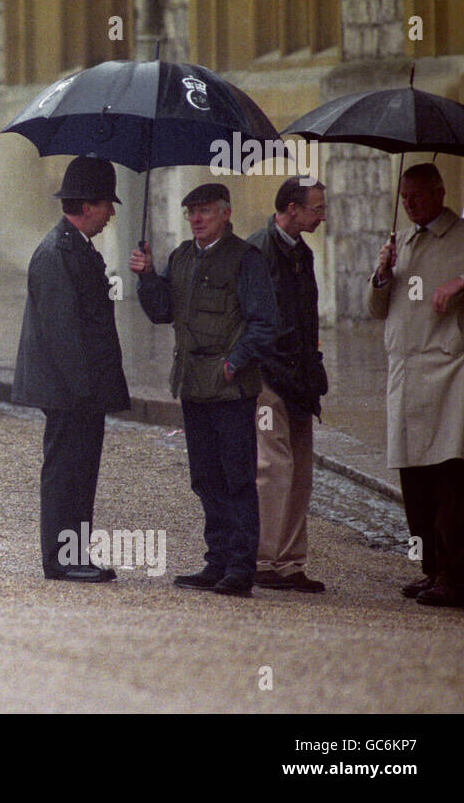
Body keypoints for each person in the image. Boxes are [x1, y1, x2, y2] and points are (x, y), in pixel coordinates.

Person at [129, 183, 277, 597]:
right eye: (191, 212)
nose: (196, 219)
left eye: (205, 211)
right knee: (206, 478)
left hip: (229, 386)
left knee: (237, 478)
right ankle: (216, 561)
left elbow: (265, 322)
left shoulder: (246, 259)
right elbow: (162, 312)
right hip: (193, 382)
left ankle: (240, 567)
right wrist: (147, 276)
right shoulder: (181, 257)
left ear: (226, 214)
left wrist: (234, 363)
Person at [11, 156, 130, 583]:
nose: (111, 213)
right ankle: (61, 559)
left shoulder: (76, 247)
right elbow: (62, 332)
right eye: (106, 205)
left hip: (81, 390)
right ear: (87, 206)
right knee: (66, 475)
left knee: (81, 475)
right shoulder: (56, 252)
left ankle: (75, 554)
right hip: (69, 391)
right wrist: (84, 392)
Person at [367, 162, 464, 608]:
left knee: (451, 478)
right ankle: (429, 569)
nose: (410, 204)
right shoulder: (400, 240)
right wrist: (383, 274)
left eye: (418, 196)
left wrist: (462, 281)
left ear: (440, 192)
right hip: (405, 374)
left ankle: (456, 573)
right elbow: (376, 308)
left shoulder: (463, 235)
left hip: (448, 373)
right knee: (415, 480)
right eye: (404, 198)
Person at [244, 177, 329, 593]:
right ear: (292, 209)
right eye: (316, 208)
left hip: (299, 379)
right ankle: (264, 558)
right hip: (268, 375)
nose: (322, 215)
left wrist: (312, 369)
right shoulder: (259, 249)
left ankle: (291, 562)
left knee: (299, 472)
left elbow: (307, 319)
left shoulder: (303, 255)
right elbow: (254, 316)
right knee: (273, 468)